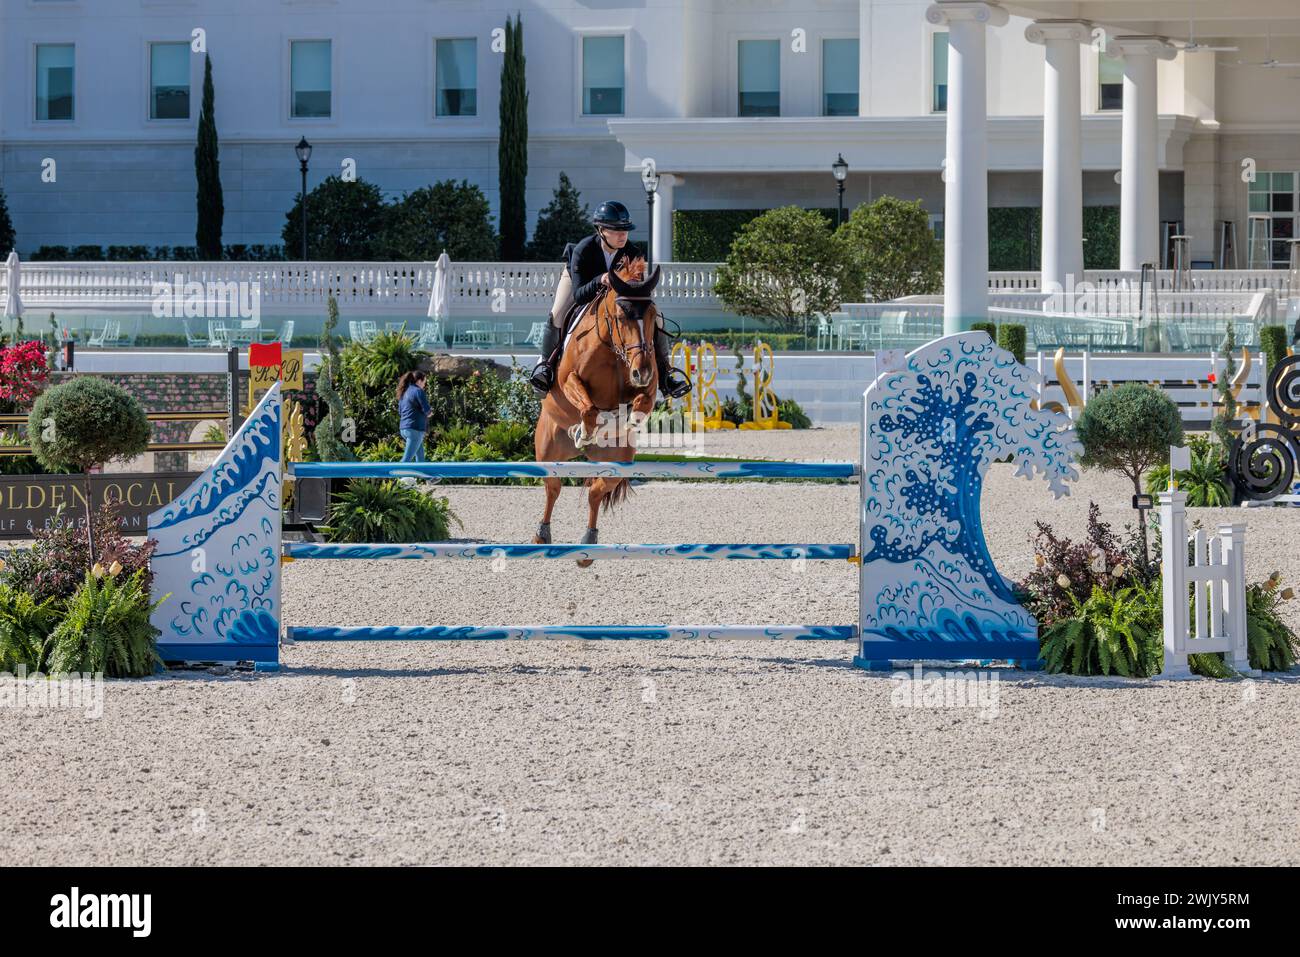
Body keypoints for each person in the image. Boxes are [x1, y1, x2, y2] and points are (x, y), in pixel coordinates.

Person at [529, 200, 691, 399]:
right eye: (616, 230)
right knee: (558, 314)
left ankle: (666, 374)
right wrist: (600, 279)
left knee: (656, 317)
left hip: (616, 292)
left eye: (625, 230)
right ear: (601, 230)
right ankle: (545, 366)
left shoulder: (633, 253)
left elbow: (635, 294)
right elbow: (580, 296)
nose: (622, 235)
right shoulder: (583, 249)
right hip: (580, 282)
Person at [396, 371, 431, 462]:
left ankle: (426, 476)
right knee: (406, 460)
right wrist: (430, 413)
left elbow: (400, 411)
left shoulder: (404, 392)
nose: (424, 385)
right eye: (424, 382)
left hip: (404, 429)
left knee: (420, 458)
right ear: (419, 381)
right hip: (414, 430)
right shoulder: (418, 391)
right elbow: (427, 410)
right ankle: (389, 475)